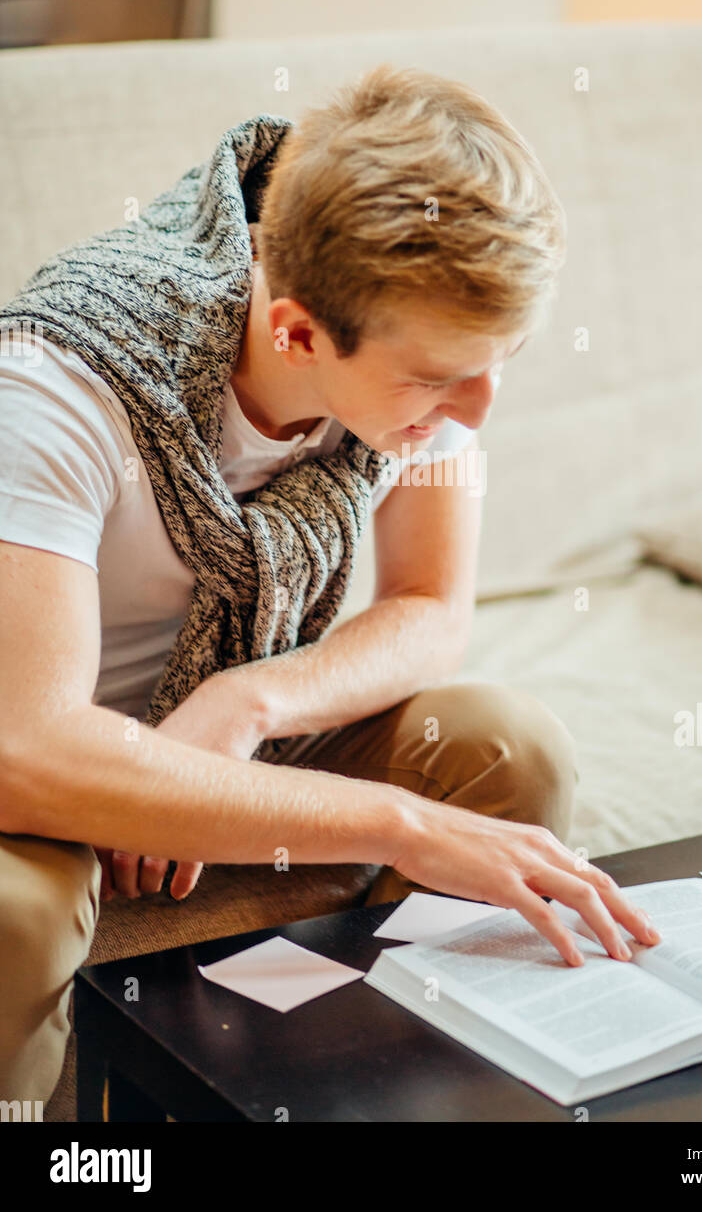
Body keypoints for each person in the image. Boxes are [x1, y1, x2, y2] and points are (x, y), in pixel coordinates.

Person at [0, 63, 660, 1106]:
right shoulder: (60, 378)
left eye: (500, 362)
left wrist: (245, 699)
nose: (474, 412)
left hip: (224, 712)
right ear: (298, 333)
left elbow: (428, 610)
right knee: (12, 911)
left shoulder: (425, 377)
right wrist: (396, 824)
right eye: (440, 376)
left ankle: (370, 1090)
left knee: (502, 745)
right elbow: (27, 748)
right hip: (51, 752)